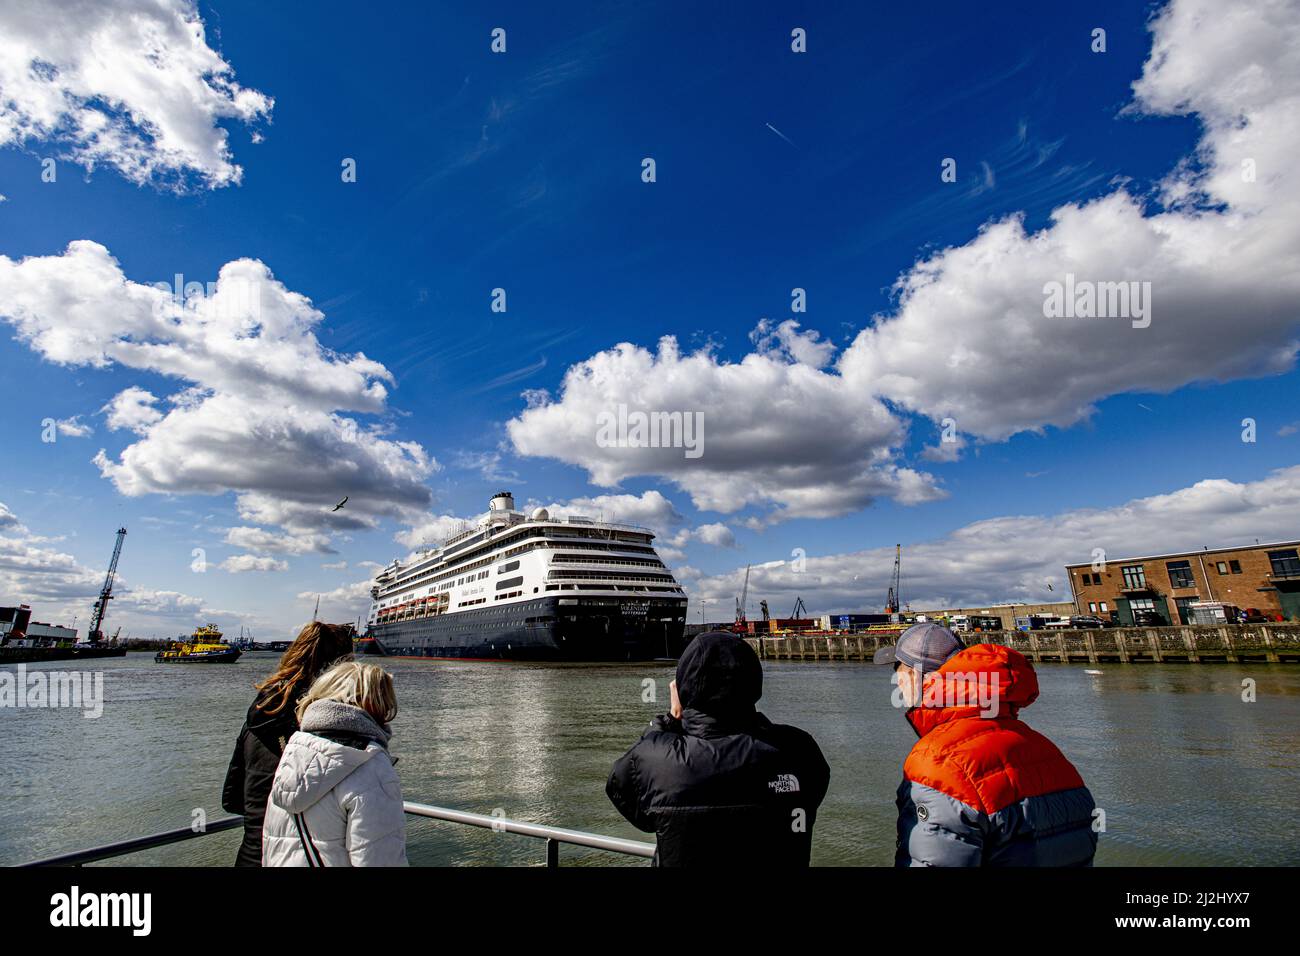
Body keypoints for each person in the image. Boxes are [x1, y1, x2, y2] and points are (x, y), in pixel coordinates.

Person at [874, 623, 1098, 866]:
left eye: (897, 670)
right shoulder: (1049, 752)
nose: (896, 682)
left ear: (913, 675)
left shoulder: (938, 761)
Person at [607, 631, 830, 866]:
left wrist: (671, 720)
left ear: (681, 689)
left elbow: (633, 805)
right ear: (754, 682)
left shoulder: (655, 759)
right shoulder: (799, 749)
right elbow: (812, 794)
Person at [222, 621, 355, 866]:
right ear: (340, 670)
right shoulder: (328, 727)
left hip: (252, 854)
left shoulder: (257, 716)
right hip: (304, 858)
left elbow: (231, 799)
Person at [261, 660, 407, 866]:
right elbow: (379, 858)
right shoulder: (370, 765)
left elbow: (271, 848)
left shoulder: (293, 754)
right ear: (376, 705)